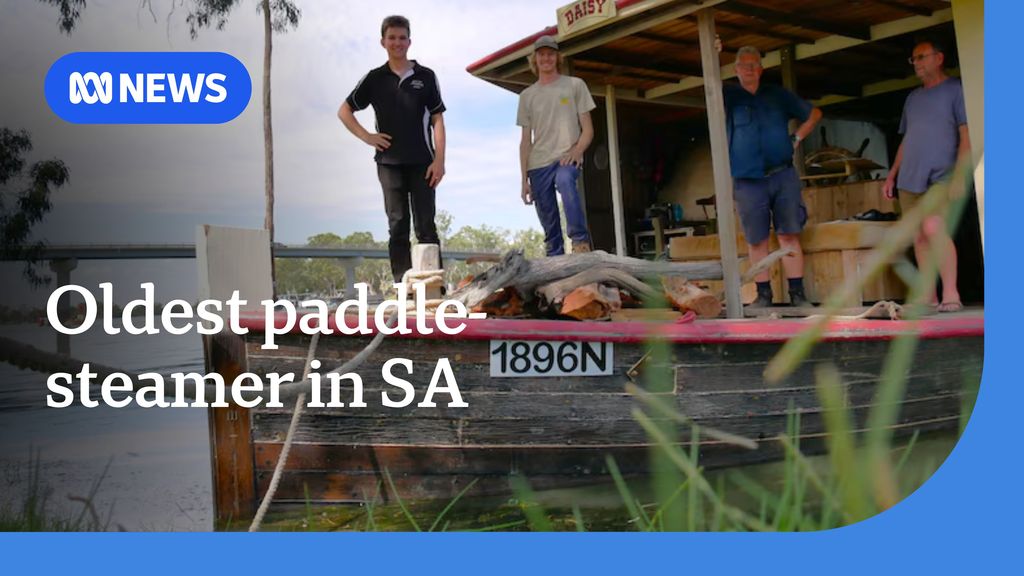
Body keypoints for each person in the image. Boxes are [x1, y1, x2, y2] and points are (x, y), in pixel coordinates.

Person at [338, 15, 446, 282]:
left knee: (426, 227)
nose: (397, 43)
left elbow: (437, 119)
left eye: (402, 38)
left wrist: (439, 160)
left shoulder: (426, 76)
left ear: (409, 41)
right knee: (397, 225)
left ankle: (433, 285)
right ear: (383, 42)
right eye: (392, 38)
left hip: (423, 162)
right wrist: (367, 137)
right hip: (388, 163)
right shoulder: (374, 79)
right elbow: (344, 111)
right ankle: (402, 285)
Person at [723, 45, 822, 308]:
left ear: (761, 68)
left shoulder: (777, 95)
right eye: (744, 65)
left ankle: (798, 295)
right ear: (736, 70)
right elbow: (707, 82)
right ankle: (763, 295)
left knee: (789, 235)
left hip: (782, 174)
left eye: (754, 64)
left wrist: (797, 138)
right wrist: (714, 49)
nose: (750, 69)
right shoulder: (727, 97)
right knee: (757, 240)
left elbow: (814, 114)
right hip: (747, 181)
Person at [882, 38, 970, 313]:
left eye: (921, 57)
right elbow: (908, 140)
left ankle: (952, 294)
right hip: (909, 178)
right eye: (914, 59)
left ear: (939, 58)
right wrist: (892, 174)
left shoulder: (956, 90)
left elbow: (966, 135)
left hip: (942, 176)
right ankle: (928, 297)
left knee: (935, 229)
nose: (916, 63)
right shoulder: (913, 98)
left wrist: (959, 175)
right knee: (919, 237)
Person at [517, 35, 595, 256]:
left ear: (557, 57)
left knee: (565, 180)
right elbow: (525, 141)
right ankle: (554, 256)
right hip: (538, 163)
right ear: (535, 59)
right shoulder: (527, 96)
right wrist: (524, 180)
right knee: (548, 215)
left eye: (550, 54)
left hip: (566, 157)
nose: (546, 58)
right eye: (541, 54)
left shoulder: (574, 85)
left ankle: (580, 242)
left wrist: (577, 150)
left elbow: (588, 129)